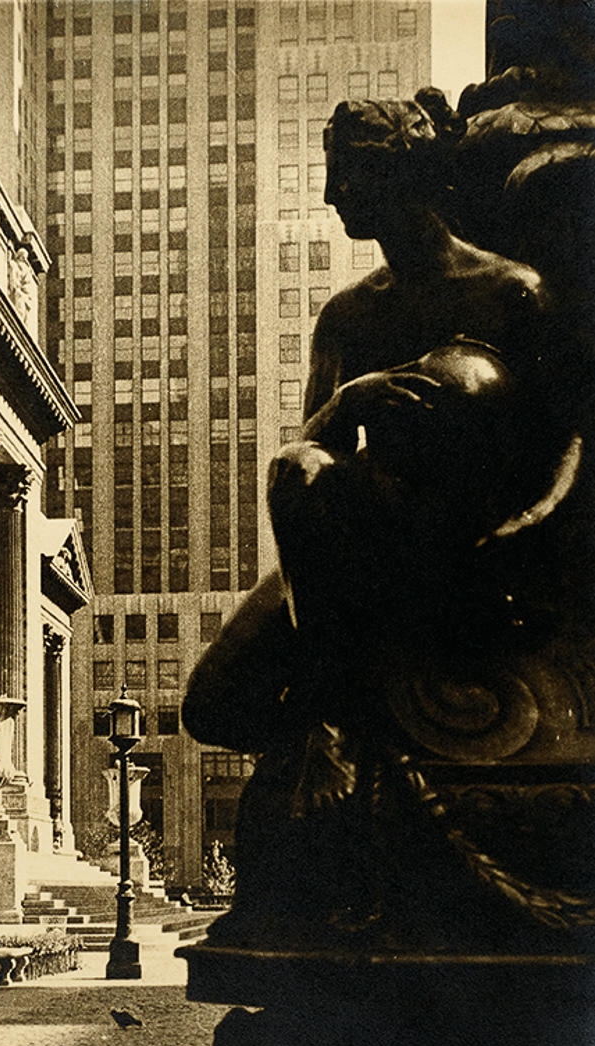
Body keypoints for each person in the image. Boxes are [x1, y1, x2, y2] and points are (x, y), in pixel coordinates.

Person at [184, 89, 565, 812]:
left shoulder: (510, 292)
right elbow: (306, 450)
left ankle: (333, 724)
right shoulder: (350, 314)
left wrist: (521, 536)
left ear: (405, 176)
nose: (331, 194)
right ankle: (343, 714)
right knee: (210, 707)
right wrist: (348, 399)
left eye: (348, 173)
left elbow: (568, 438)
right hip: (355, 531)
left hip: (460, 536)